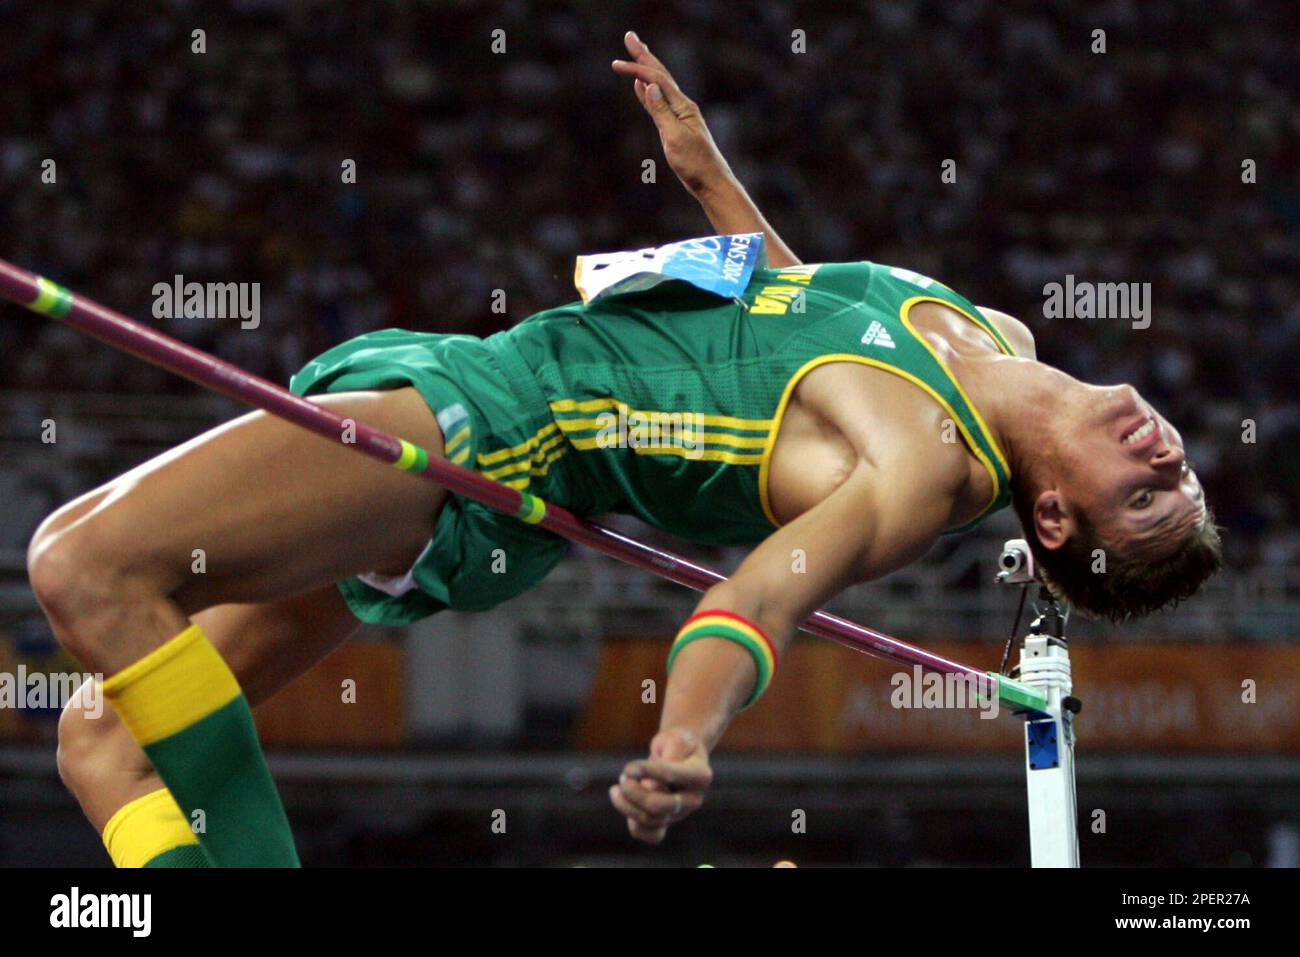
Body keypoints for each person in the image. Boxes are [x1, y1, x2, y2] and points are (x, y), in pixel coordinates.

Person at [29, 32, 1221, 865]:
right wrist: (708, 175)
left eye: (1146, 500)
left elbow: (755, 602)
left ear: (1055, 519)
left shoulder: (924, 468)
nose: (1166, 461)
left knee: (80, 567)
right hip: (502, 435)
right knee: (101, 739)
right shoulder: (985, 333)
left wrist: (684, 737)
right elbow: (801, 315)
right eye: (1182, 476)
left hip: (504, 427)